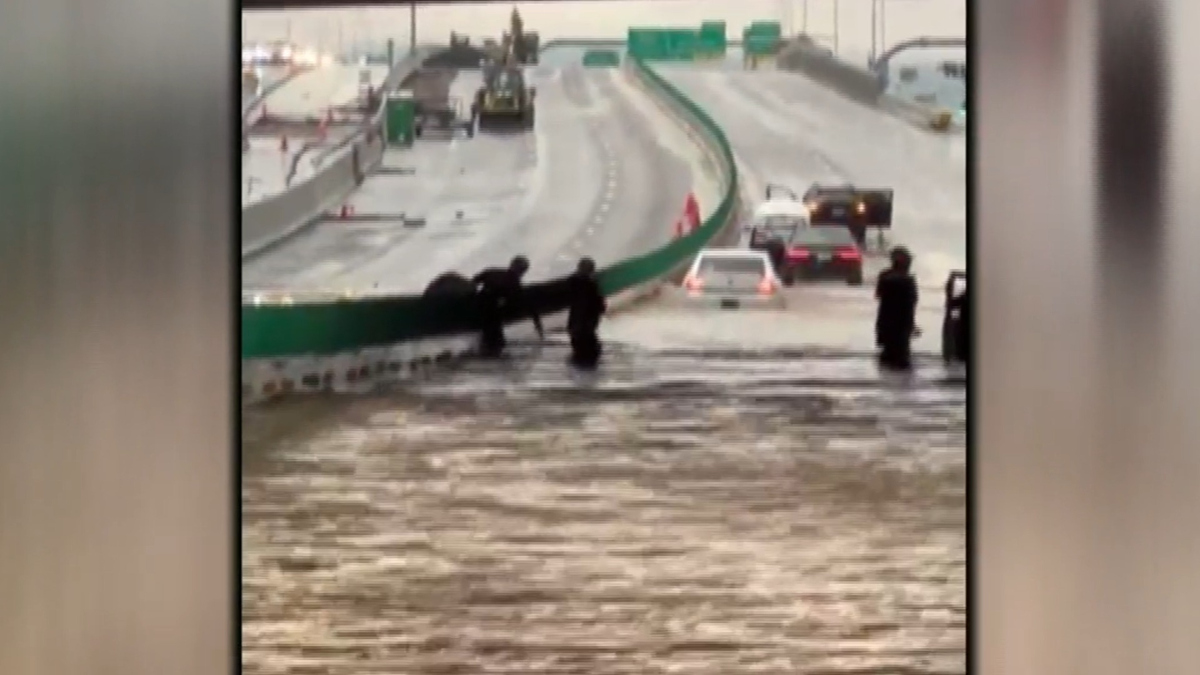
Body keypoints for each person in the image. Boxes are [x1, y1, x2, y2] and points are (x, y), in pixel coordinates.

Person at [471, 255, 544, 358]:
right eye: (523, 270)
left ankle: (484, 351)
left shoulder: (492, 271)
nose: (522, 273)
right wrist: (538, 325)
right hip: (490, 310)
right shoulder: (514, 283)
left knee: (492, 336)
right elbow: (528, 305)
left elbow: (472, 283)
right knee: (496, 342)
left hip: (479, 306)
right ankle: (486, 354)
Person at [875, 246, 920, 371]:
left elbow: (878, 295)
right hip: (900, 326)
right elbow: (911, 304)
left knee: (888, 358)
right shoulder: (908, 280)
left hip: (887, 324)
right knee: (901, 360)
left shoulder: (885, 276)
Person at [565, 257, 607, 369]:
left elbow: (598, 301)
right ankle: (584, 358)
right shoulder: (587, 282)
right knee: (584, 338)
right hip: (584, 315)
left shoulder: (577, 281)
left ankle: (582, 357)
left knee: (583, 337)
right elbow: (598, 300)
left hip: (582, 315)